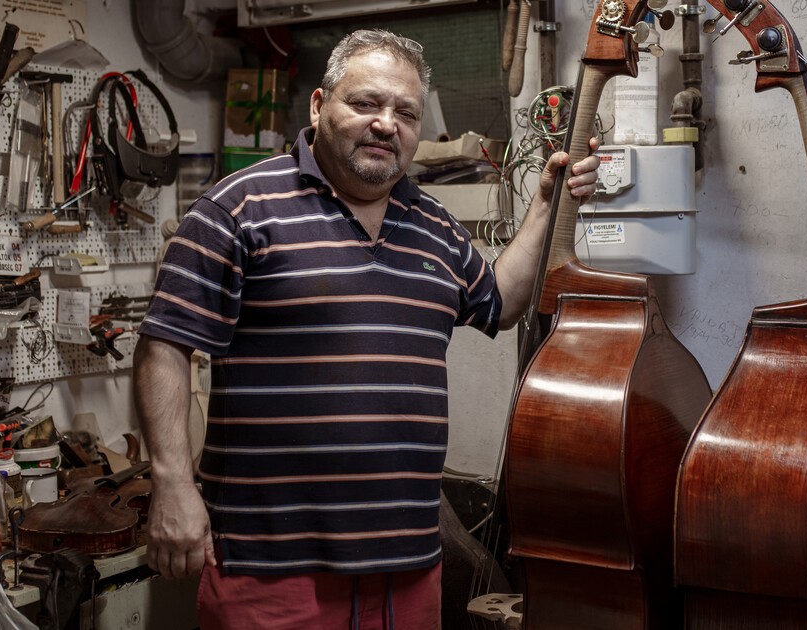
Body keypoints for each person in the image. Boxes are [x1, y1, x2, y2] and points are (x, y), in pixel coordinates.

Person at [134, 29, 599, 629]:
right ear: (319, 105)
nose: (387, 123)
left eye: (405, 112)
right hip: (272, 565)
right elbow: (164, 345)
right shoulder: (238, 209)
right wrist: (172, 484)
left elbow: (499, 303)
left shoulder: (433, 225)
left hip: (407, 566)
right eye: (366, 103)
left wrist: (545, 204)